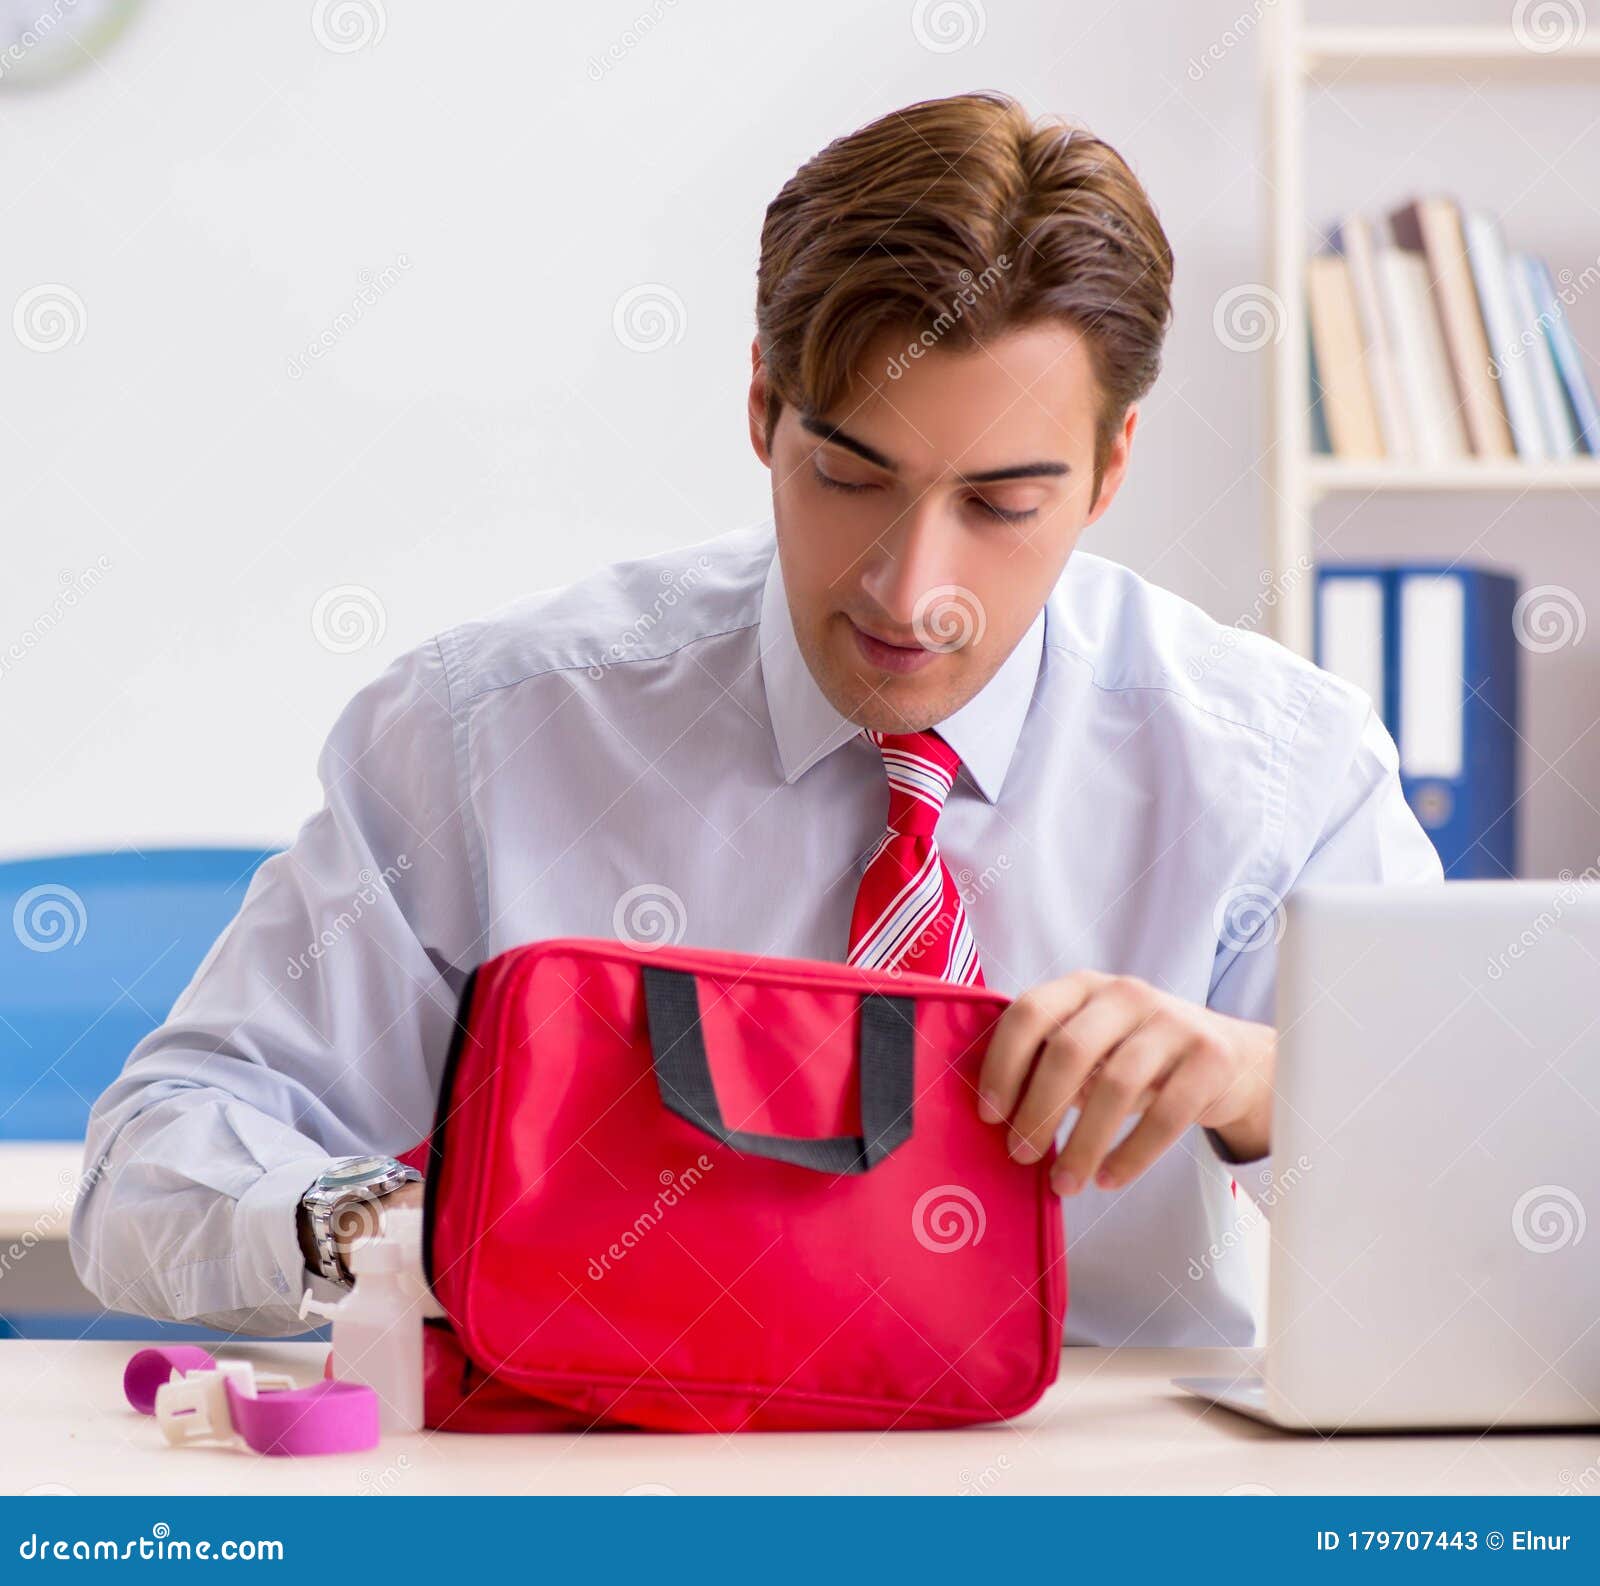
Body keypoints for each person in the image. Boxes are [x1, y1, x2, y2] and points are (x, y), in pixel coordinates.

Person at [71, 90, 1440, 1347]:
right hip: (620, 1478)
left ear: (1110, 468)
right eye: (849, 474)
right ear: (762, 409)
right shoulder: (487, 736)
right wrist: (412, 1228)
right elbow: (153, 1164)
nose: (912, 589)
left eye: (1004, 504)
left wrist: (1269, 1088)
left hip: (1105, 1494)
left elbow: (1492, 1216)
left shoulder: (1278, 772)